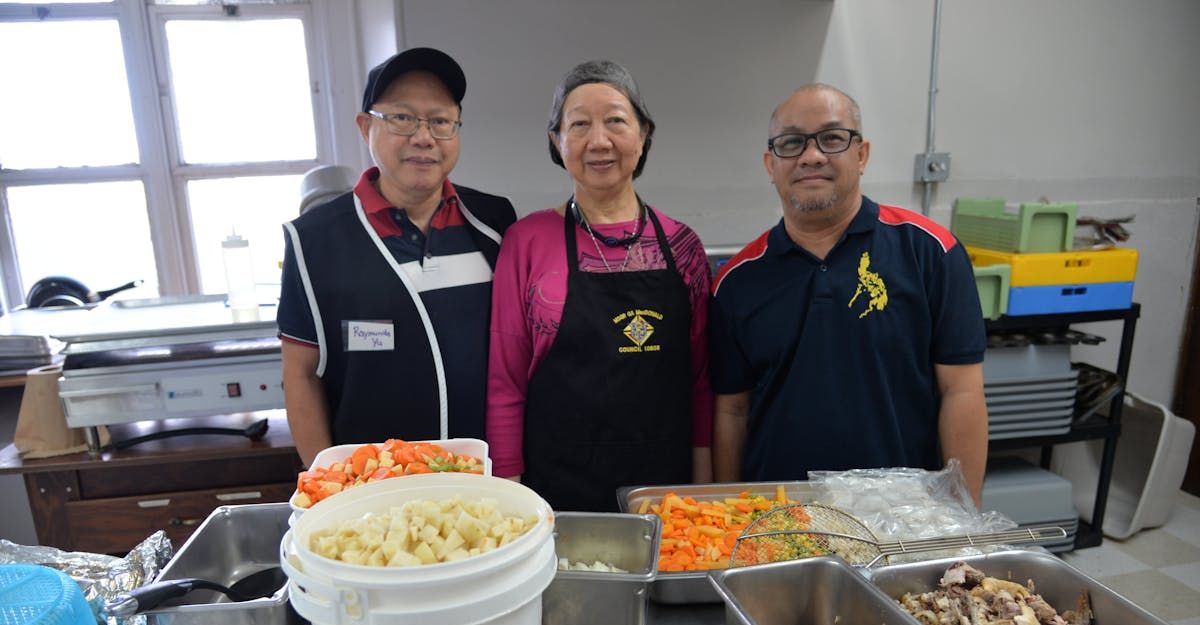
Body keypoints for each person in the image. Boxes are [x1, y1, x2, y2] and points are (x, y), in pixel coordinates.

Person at [709, 83, 988, 506]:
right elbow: (732, 412)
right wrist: (731, 516)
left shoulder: (930, 251)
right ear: (771, 164)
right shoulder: (736, 281)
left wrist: (961, 515)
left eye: (832, 138)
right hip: (780, 518)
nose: (812, 155)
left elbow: (962, 392)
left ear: (862, 154)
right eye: (792, 143)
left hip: (904, 515)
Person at [487, 60, 713, 512]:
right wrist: (509, 501)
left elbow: (702, 381)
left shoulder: (683, 247)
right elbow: (505, 384)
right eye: (579, 125)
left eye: (615, 121)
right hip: (555, 492)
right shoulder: (526, 242)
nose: (599, 141)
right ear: (557, 140)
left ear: (644, 133)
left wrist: (704, 492)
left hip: (666, 492)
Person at [277, 48, 517, 466]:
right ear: (365, 126)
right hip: (374, 497)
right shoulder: (313, 241)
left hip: (481, 491)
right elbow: (300, 374)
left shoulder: (495, 222)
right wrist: (327, 485)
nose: (423, 137)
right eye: (402, 118)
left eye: (440, 121)